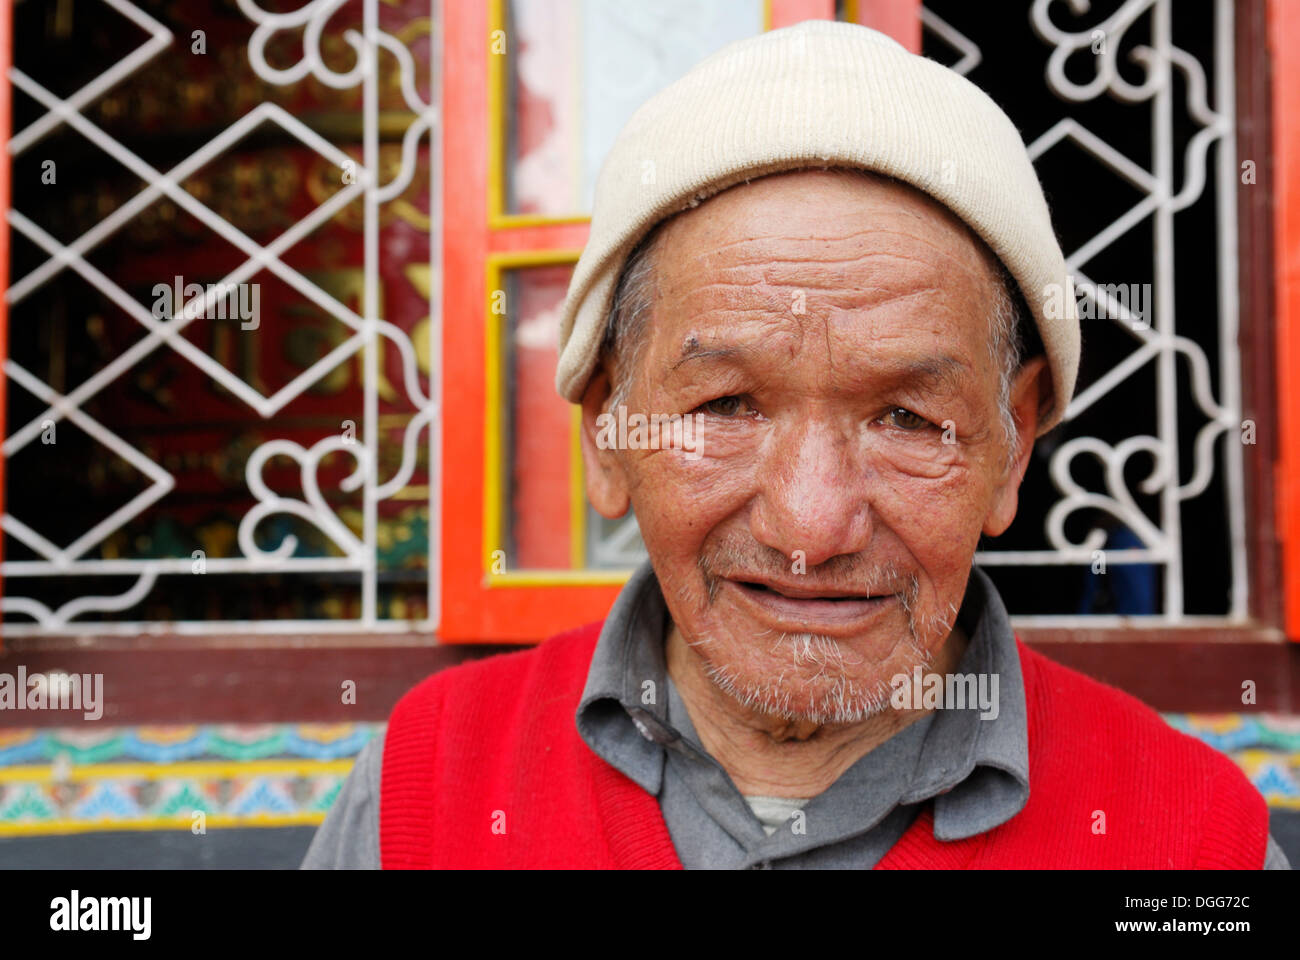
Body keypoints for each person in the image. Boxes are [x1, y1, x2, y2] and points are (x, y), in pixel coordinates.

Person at [304, 20, 1287, 869]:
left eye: (906, 418)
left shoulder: (1186, 835)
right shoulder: (422, 793)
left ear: (1012, 447)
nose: (811, 524)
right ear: (606, 432)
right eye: (727, 405)